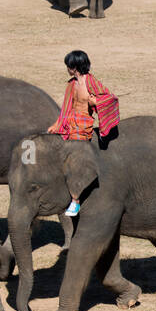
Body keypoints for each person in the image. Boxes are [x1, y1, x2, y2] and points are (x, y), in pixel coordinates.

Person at [46, 50, 117, 216]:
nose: (67, 69)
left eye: (69, 66)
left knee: (75, 161)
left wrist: (95, 102)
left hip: (82, 126)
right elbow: (66, 108)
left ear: (75, 67)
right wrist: (57, 124)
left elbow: (109, 98)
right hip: (69, 123)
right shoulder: (71, 84)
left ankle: (75, 200)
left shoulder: (92, 83)